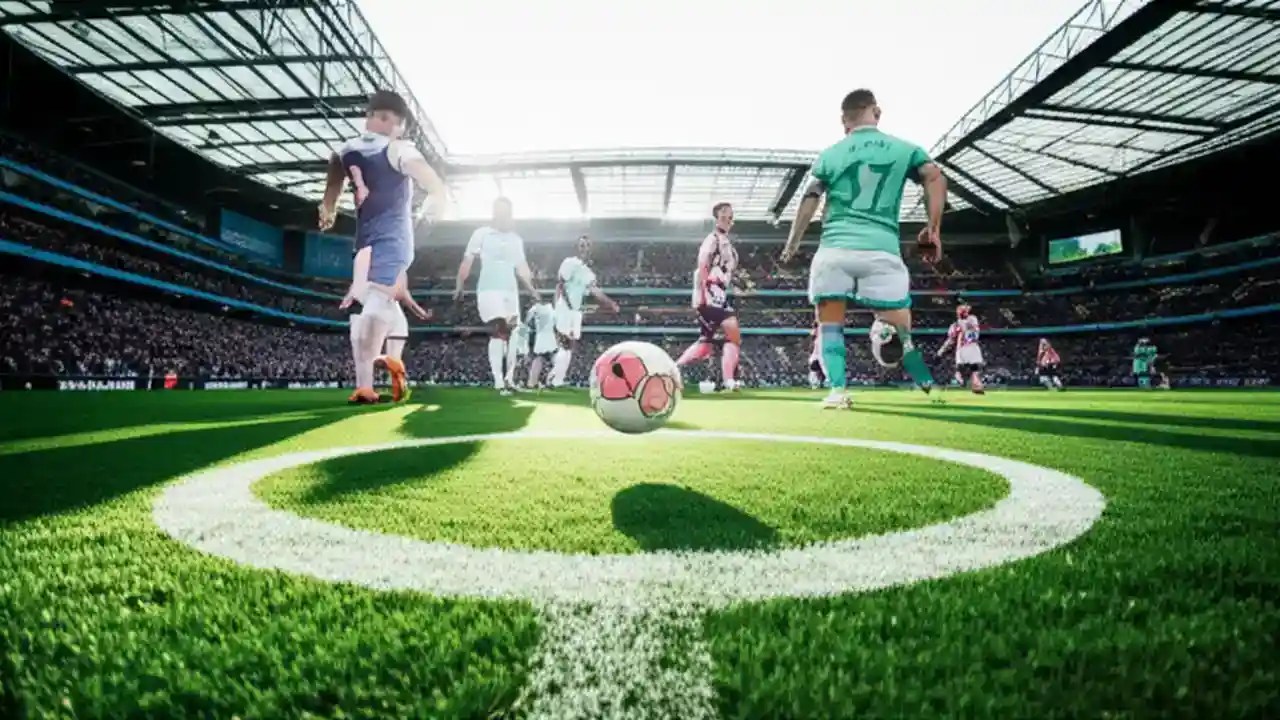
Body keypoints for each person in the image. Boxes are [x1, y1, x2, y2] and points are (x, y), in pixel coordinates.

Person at [779, 89, 947, 409]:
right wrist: (933, 229)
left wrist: (792, 245)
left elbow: (810, 197)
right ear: (877, 112)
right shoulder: (906, 149)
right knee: (901, 326)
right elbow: (935, 179)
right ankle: (926, 383)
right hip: (882, 251)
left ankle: (838, 391)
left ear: (844, 121)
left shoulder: (830, 154)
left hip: (834, 251)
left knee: (829, 323)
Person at [319, 89, 447, 404]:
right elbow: (426, 176)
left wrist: (329, 207)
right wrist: (438, 195)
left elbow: (335, 178)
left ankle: (365, 385)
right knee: (375, 302)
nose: (378, 121)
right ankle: (393, 362)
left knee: (373, 302)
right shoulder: (389, 147)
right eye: (377, 116)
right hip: (380, 238)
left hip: (382, 239)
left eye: (383, 117)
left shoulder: (364, 149)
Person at [453, 197, 540, 395]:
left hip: (510, 290)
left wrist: (532, 290)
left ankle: (509, 379)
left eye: (505, 212)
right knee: (500, 329)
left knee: (514, 333)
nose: (502, 215)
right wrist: (460, 284)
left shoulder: (516, 239)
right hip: (489, 289)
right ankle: (498, 380)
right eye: (498, 211)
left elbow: (522, 268)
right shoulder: (481, 234)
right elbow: (467, 260)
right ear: (493, 213)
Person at [674, 202, 742, 391]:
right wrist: (704, 291)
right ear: (716, 219)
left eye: (730, 217)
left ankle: (673, 370)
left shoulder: (725, 242)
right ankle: (729, 380)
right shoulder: (712, 239)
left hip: (718, 294)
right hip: (710, 294)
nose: (727, 219)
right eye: (723, 216)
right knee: (732, 334)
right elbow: (703, 264)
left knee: (706, 343)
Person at [549, 235, 618, 387]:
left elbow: (595, 291)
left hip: (575, 311)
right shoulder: (569, 262)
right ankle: (554, 378)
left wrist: (610, 303)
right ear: (577, 247)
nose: (584, 247)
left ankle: (557, 378)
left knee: (570, 345)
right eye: (581, 244)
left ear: (591, 249)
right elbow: (560, 284)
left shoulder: (588, 272)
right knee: (564, 342)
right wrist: (559, 307)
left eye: (587, 245)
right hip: (566, 308)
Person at [937, 304, 985, 394]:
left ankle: (962, 379)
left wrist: (941, 350)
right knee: (975, 369)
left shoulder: (955, 325)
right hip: (972, 347)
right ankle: (975, 385)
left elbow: (950, 340)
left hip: (962, 348)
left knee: (964, 369)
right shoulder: (972, 319)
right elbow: (972, 324)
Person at [525, 300, 557, 388]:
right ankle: (549, 380)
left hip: (542, 336)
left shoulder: (535, 309)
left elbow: (527, 321)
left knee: (540, 358)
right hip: (547, 336)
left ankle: (533, 381)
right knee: (552, 358)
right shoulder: (550, 309)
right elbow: (556, 323)